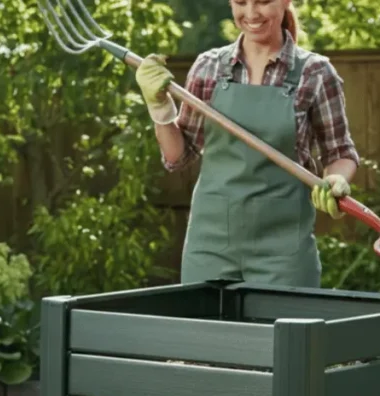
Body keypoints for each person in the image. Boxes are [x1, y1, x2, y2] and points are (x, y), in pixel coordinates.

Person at [135, 0, 360, 288]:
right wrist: (160, 109)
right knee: (208, 334)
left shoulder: (315, 73)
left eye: (263, 2)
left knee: (284, 334)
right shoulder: (208, 67)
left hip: (284, 252)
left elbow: (340, 151)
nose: (251, 13)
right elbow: (179, 156)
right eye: (241, 2)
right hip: (210, 247)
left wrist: (336, 178)